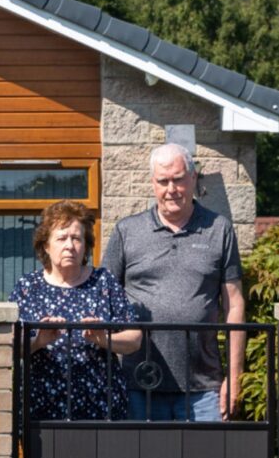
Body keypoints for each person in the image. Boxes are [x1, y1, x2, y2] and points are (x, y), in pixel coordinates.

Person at [102, 143, 244, 421]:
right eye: (163, 181)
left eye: (178, 179)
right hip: (138, 382)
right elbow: (104, 298)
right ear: (152, 183)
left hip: (204, 386)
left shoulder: (219, 229)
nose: (171, 189)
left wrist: (234, 376)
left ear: (193, 177)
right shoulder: (127, 231)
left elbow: (234, 304)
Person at [8, 199, 144, 421]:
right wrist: (38, 342)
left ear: (86, 245)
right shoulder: (28, 286)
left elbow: (135, 338)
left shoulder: (104, 281)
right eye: (61, 238)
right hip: (41, 406)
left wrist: (103, 339)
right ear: (45, 245)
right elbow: (7, 346)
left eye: (76, 238)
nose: (69, 245)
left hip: (101, 405)